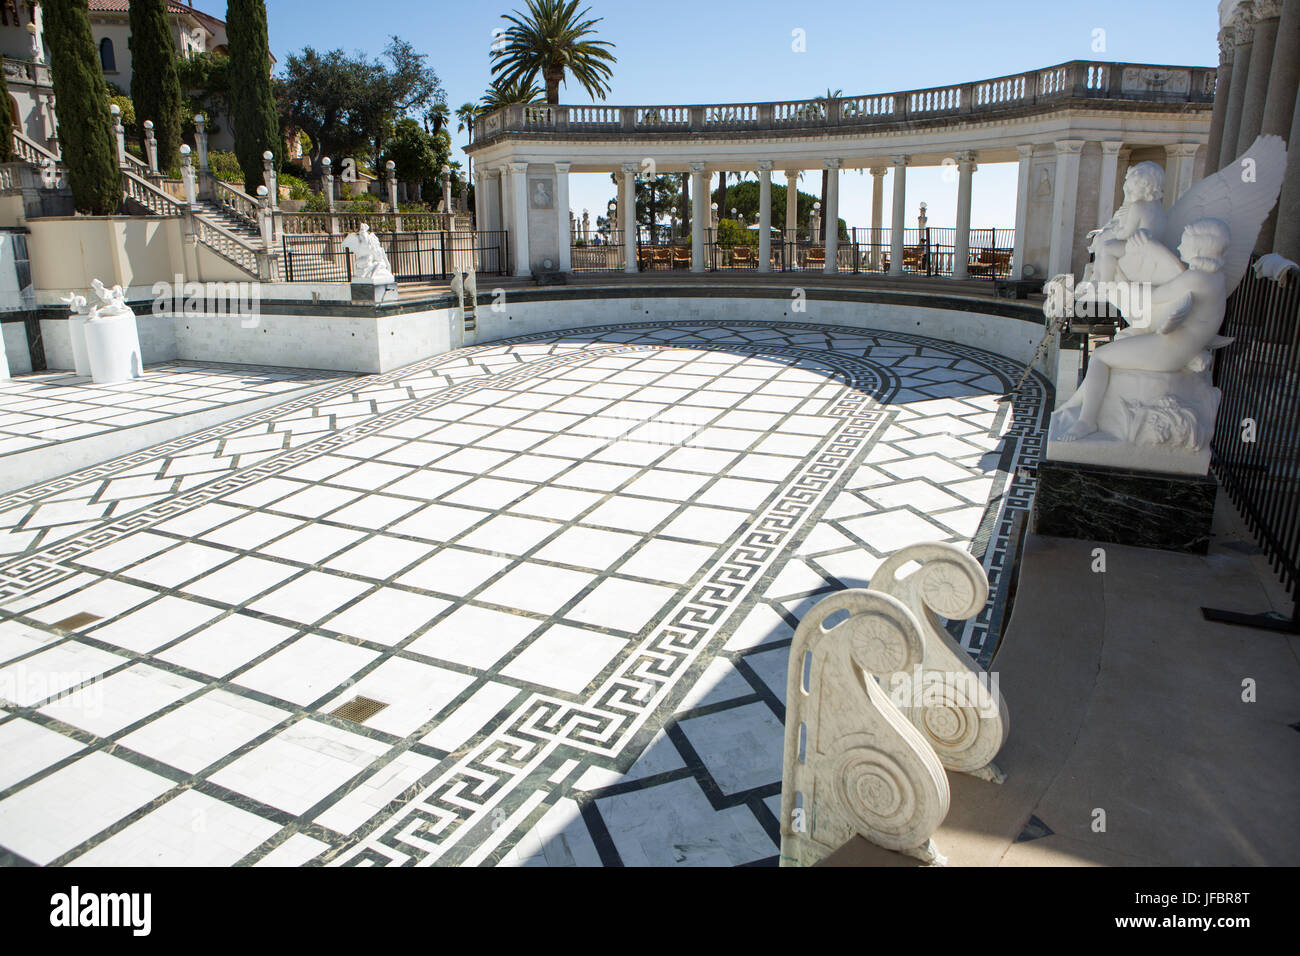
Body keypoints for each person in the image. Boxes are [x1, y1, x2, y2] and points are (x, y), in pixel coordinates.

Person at [1058, 219, 1229, 442]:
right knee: (1119, 345)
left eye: (1185, 242)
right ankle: (1075, 407)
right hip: (1182, 347)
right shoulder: (1216, 277)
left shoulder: (1196, 278)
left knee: (1100, 357)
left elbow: (1154, 297)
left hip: (1171, 350)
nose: (1179, 247)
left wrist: (1120, 283)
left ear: (1199, 247)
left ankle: (1087, 421)